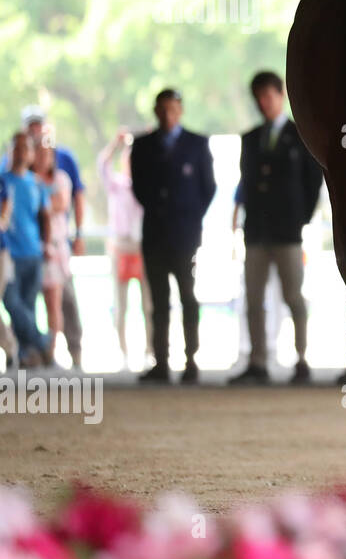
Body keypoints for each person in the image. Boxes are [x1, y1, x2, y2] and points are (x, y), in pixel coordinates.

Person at [229, 71, 323, 385]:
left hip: (287, 232)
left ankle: (301, 358)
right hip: (256, 231)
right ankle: (258, 361)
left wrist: (300, 218)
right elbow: (247, 185)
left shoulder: (301, 136)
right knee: (253, 299)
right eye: (259, 98)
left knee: (293, 296)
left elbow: (313, 183)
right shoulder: (250, 139)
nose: (263, 103)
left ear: (280, 96)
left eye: (268, 96)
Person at [131, 89, 216, 384]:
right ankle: (161, 361)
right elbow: (139, 189)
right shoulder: (142, 146)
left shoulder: (196, 144)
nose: (168, 115)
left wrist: (188, 217)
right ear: (156, 111)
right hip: (155, 233)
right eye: (163, 109)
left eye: (173, 109)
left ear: (180, 110)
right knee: (158, 300)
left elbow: (208, 189)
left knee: (188, 297)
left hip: (185, 235)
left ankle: (191, 359)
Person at [3, 108, 86, 363]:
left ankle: (68, 350)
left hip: (50, 246)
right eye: (31, 127)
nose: (36, 131)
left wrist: (77, 233)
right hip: (17, 248)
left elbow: (70, 200)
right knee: (19, 301)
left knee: (62, 300)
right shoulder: (9, 172)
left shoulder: (63, 160)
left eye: (39, 126)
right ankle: (32, 349)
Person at [98, 130, 153, 361]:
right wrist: (115, 144)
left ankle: (151, 348)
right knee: (121, 302)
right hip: (121, 245)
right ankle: (123, 350)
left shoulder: (145, 185)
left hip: (142, 245)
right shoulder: (117, 185)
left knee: (147, 302)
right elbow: (102, 165)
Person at [1, 132, 52, 367]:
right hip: (9, 253)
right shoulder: (3, 182)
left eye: (25, 149)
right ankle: (41, 342)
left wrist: (46, 244)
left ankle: (25, 354)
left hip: (33, 252)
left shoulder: (36, 184)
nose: (21, 153)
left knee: (29, 304)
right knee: (12, 302)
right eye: (16, 148)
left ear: (31, 154)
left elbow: (45, 217)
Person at [32, 136, 75, 368]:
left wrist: (38, 202)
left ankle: (50, 350)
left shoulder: (60, 179)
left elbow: (60, 204)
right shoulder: (27, 179)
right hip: (29, 245)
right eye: (38, 153)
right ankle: (31, 348)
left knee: (54, 301)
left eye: (46, 154)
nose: (42, 158)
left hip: (55, 247)